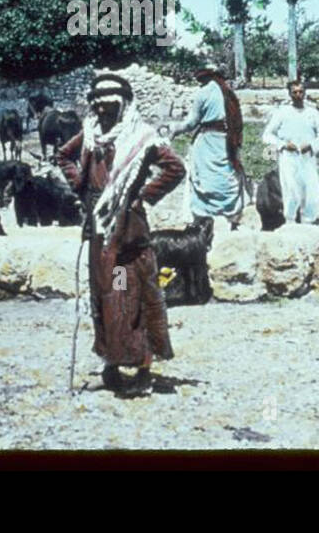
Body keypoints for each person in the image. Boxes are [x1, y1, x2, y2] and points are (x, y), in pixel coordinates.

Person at [57, 73, 186, 393]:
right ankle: (112, 362)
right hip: (100, 233)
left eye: (109, 103)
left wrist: (143, 197)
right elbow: (63, 156)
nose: (101, 109)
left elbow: (175, 168)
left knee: (127, 296)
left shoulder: (140, 137)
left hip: (127, 237)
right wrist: (80, 185)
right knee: (105, 295)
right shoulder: (89, 135)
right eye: (97, 103)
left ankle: (142, 366)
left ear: (123, 104)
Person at [169, 62, 246, 233]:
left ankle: (204, 218)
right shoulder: (228, 93)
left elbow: (191, 122)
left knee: (205, 177)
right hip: (226, 141)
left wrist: (175, 129)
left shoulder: (204, 93)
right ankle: (228, 217)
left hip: (208, 142)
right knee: (225, 176)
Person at [261, 79, 319, 224]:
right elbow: (267, 135)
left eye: (301, 92)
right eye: (295, 92)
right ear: (290, 94)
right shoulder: (282, 113)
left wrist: (311, 145)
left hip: (307, 157)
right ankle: (290, 221)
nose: (298, 95)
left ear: (305, 93)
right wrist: (283, 144)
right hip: (289, 157)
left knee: (311, 190)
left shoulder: (312, 113)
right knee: (291, 191)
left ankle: (308, 221)